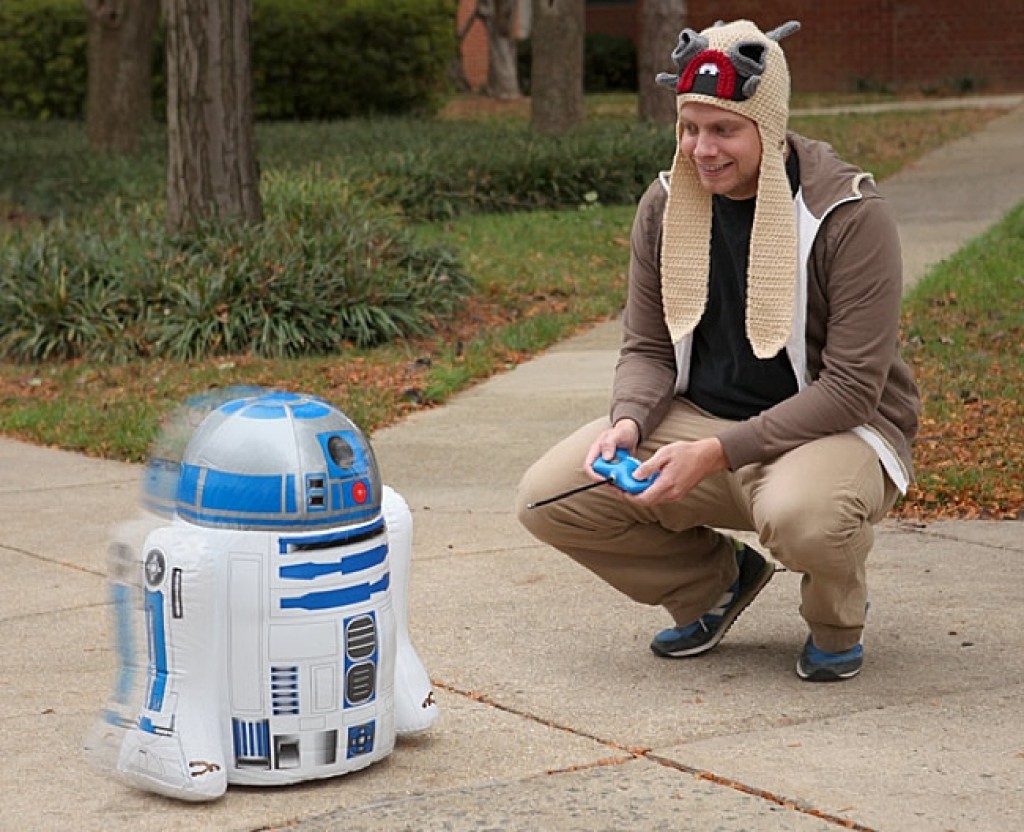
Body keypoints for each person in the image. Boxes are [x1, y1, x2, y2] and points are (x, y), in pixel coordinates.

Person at [515, 19, 920, 682]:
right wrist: (629, 422)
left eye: (723, 130)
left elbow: (852, 388)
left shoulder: (849, 214)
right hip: (699, 418)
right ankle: (714, 586)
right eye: (690, 128)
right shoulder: (665, 204)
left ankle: (835, 617)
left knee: (804, 520)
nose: (702, 150)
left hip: (830, 428)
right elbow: (647, 346)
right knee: (548, 498)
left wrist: (717, 454)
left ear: (769, 125)